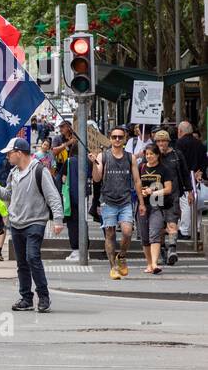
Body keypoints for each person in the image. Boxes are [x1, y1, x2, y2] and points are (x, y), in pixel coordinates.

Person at [0, 137, 63, 313]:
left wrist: (58, 219)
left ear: (19, 153)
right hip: (16, 223)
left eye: (10, 153)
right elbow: (7, 194)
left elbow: (53, 196)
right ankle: (26, 298)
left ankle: (43, 297)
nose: (8, 157)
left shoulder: (39, 170)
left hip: (35, 221)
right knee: (22, 263)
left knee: (32, 257)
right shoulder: (14, 173)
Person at [89, 127, 142, 280]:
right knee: (110, 234)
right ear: (110, 138)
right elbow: (97, 178)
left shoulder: (130, 157)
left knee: (127, 232)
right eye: (114, 137)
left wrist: (142, 202)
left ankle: (122, 256)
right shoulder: (103, 156)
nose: (117, 140)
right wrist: (94, 163)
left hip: (125, 200)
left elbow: (137, 181)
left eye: (120, 137)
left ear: (125, 139)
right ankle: (113, 267)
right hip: (108, 200)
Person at [151, 129, 191, 265]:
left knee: (172, 223)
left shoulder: (176, 154)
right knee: (159, 226)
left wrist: (189, 190)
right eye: (158, 141)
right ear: (155, 142)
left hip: (172, 196)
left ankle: (172, 249)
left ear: (168, 141)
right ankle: (162, 249)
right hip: (156, 196)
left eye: (164, 141)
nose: (161, 143)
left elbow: (185, 173)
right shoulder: (152, 155)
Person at [136, 143, 175, 275]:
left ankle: (154, 263)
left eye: (152, 154)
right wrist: (143, 191)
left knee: (155, 234)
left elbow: (168, 189)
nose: (149, 156)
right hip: (142, 206)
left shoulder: (164, 169)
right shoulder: (140, 168)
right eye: (147, 154)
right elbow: (135, 185)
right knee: (145, 237)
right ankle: (149, 263)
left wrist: (153, 192)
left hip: (157, 206)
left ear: (157, 155)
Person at [51, 120, 82, 260]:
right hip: (62, 171)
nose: (61, 129)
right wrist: (68, 144)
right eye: (60, 127)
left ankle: (79, 247)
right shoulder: (58, 139)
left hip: (74, 176)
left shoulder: (77, 137)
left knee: (75, 216)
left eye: (63, 127)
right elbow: (54, 152)